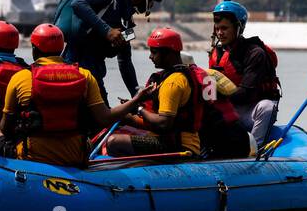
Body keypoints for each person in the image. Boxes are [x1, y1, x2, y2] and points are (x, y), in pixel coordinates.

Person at [0, 22, 143, 166]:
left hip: (32, 156)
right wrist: (135, 100)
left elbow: (6, 127)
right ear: (61, 49)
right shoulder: (84, 75)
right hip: (75, 155)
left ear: (34, 49)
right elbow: (104, 118)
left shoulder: (21, 77)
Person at [103, 27, 248, 159]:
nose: (150, 57)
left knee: (114, 142)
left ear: (169, 54)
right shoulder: (194, 76)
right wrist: (128, 115)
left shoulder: (173, 82)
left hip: (178, 145)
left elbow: (164, 124)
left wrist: (138, 109)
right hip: (191, 139)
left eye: (154, 52)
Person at [53, 0, 166, 102]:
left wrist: (136, 94)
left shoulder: (128, 25)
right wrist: (107, 31)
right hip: (73, 61)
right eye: (153, 0)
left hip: (95, 72)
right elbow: (78, 3)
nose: (152, 5)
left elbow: (125, 61)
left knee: (100, 114)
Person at [208, 0, 281, 147]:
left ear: (239, 27)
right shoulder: (217, 53)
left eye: (225, 28)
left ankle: (254, 147)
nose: (220, 33)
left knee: (267, 107)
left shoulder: (255, 53)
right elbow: (208, 91)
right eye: (217, 28)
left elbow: (245, 94)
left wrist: (218, 97)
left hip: (250, 112)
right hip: (227, 111)